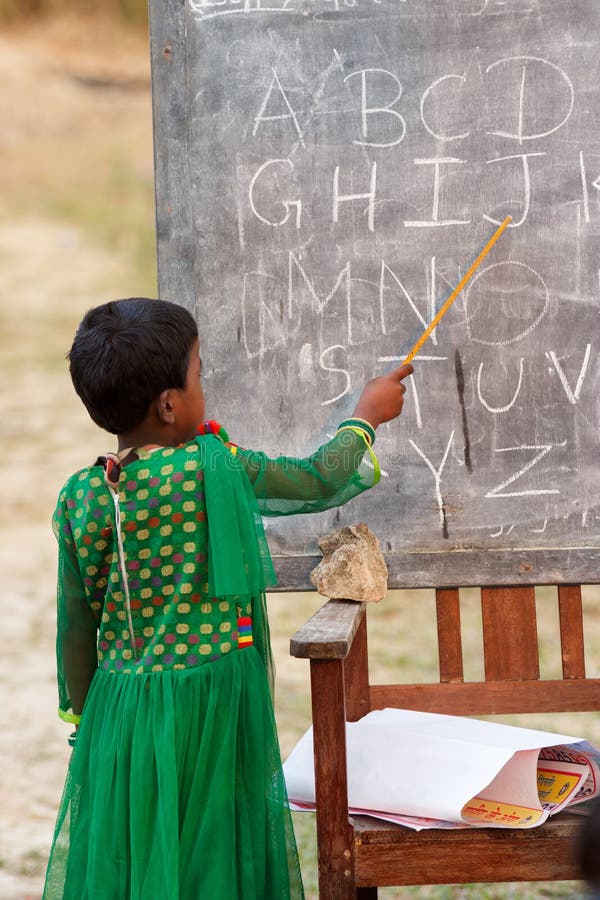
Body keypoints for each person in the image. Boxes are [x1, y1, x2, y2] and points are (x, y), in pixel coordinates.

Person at [42, 297, 413, 900]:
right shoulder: (215, 465)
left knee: (138, 852)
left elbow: (75, 625)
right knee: (216, 849)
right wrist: (365, 417)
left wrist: (87, 724)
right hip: (213, 701)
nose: (201, 388)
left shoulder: (81, 494)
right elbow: (317, 479)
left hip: (120, 711)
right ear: (169, 404)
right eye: (198, 376)